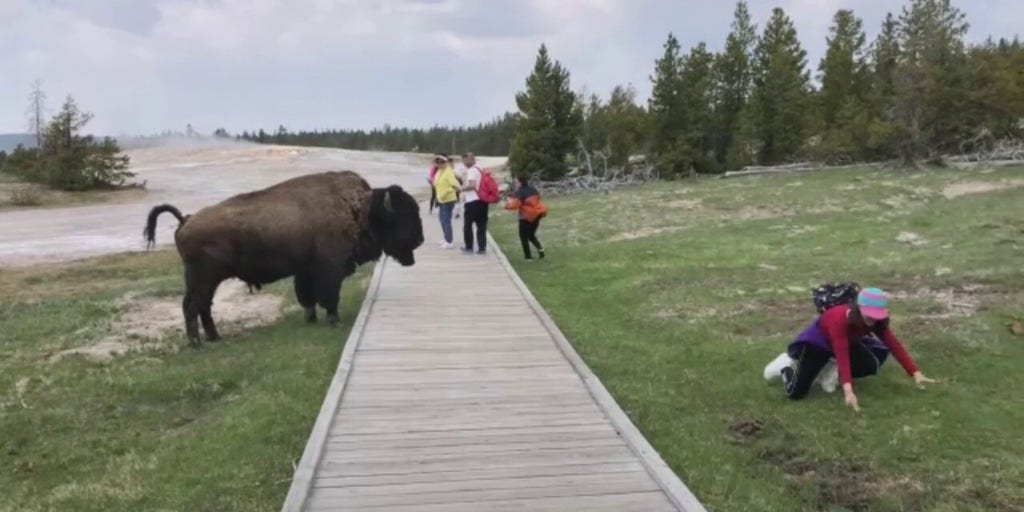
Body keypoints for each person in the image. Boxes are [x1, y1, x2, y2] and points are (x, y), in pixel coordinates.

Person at [772, 287, 938, 411]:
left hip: (845, 343)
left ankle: (828, 369)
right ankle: (786, 367)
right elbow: (842, 354)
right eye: (869, 316)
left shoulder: (877, 322)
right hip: (817, 345)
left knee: (871, 364)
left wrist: (915, 373)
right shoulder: (839, 319)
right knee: (796, 393)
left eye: (877, 316)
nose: (873, 320)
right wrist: (848, 391)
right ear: (859, 309)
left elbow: (894, 344)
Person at [504, 175, 547, 260]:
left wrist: (507, 205)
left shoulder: (520, 192)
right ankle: (540, 249)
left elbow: (515, 205)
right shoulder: (533, 189)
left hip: (526, 217)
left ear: (520, 182)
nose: (515, 184)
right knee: (531, 235)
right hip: (537, 215)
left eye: (516, 182)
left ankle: (528, 257)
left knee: (523, 237)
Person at [459, 152, 488, 254]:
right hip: (483, 200)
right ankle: (482, 248)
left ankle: (469, 247)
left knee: (468, 225)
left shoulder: (471, 170)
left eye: (464, 160)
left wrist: (461, 189)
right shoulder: (480, 169)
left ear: (468, 160)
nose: (464, 162)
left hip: (472, 201)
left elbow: (472, 185)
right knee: (481, 225)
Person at [431, 155, 459, 249]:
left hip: (448, 199)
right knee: (441, 219)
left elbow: (454, 184)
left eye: (442, 162)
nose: (440, 164)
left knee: (446, 220)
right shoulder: (440, 171)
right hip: (441, 199)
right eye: (438, 162)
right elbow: (436, 182)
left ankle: (449, 241)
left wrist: (451, 191)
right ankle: (446, 237)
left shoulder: (448, 171)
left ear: (446, 162)